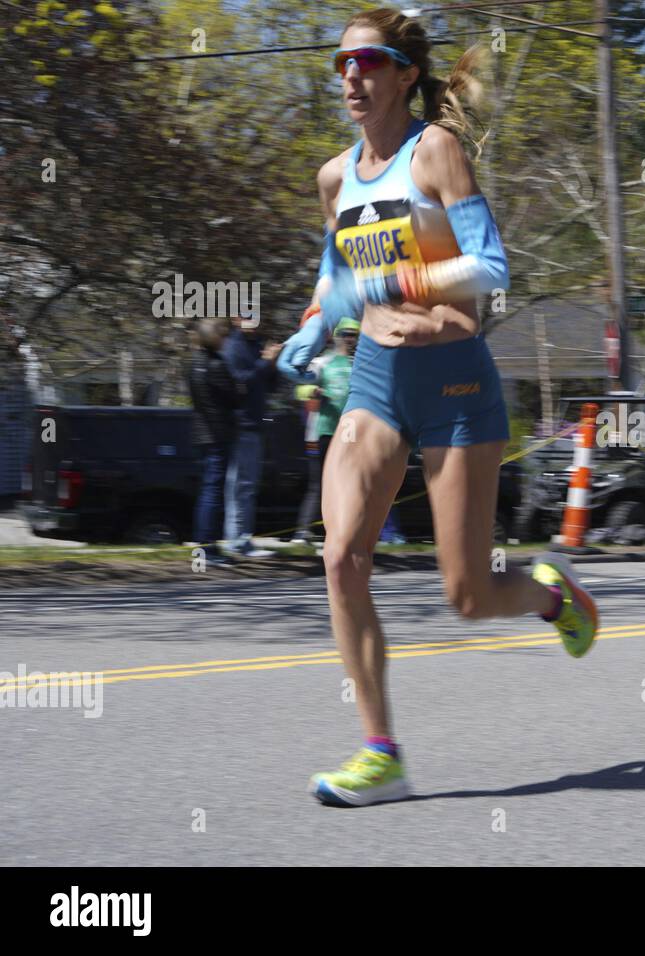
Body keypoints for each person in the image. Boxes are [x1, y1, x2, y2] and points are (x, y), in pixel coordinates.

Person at [276, 8, 598, 807]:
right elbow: (334, 270)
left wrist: (390, 284)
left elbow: (490, 268)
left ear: (405, 73)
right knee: (340, 558)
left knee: (467, 595)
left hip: (455, 382)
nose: (353, 76)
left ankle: (554, 597)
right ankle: (381, 752)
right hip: (377, 379)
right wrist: (314, 324)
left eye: (370, 62)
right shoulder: (333, 177)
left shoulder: (436, 153)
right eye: (342, 64)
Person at [293, 317, 361, 545]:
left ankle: (341, 530)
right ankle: (303, 532)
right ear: (336, 336)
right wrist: (313, 390)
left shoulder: (358, 365)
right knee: (319, 483)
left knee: (345, 483)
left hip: (348, 433)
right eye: (347, 334)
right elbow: (299, 390)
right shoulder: (322, 362)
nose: (351, 339)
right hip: (321, 431)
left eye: (354, 335)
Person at [221, 312, 281, 558]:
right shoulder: (232, 347)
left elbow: (271, 386)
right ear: (235, 319)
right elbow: (241, 382)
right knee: (240, 485)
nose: (252, 320)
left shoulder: (256, 346)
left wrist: (274, 364)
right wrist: (265, 362)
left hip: (256, 424)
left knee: (249, 485)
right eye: (246, 316)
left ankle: (242, 539)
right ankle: (237, 541)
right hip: (240, 425)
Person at [188, 317, 242, 558]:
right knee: (214, 491)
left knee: (208, 489)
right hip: (218, 434)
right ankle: (207, 546)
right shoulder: (216, 365)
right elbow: (234, 397)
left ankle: (205, 543)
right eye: (223, 335)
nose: (226, 339)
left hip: (202, 433)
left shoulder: (193, 364)